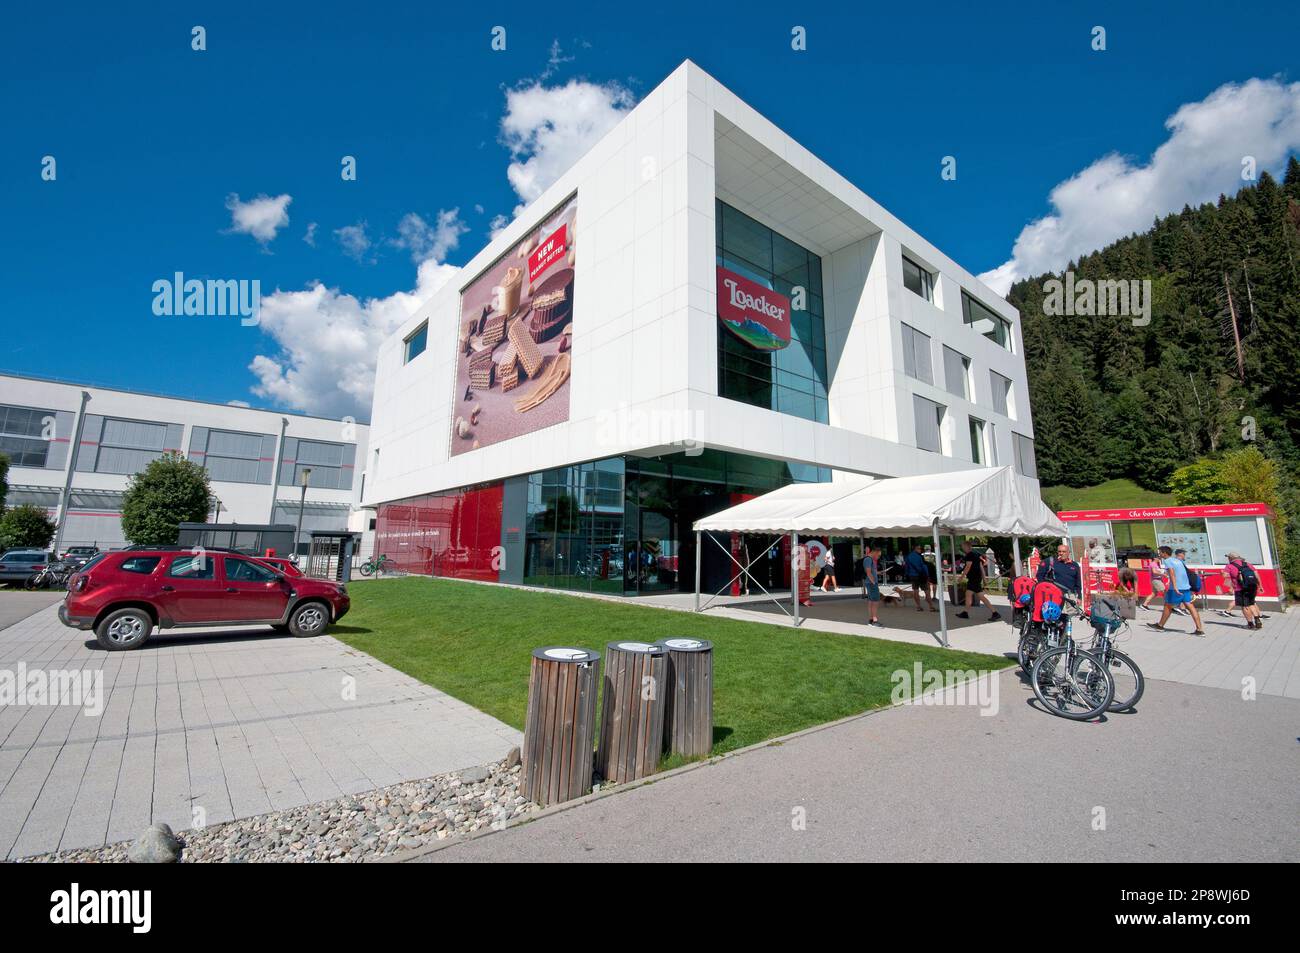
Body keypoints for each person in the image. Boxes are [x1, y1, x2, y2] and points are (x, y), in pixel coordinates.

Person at [1146, 545, 1206, 636]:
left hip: (1176, 588)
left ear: (1164, 553)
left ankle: (1160, 625)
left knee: (1167, 606)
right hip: (1186, 587)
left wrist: (1175, 587)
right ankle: (1199, 629)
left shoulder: (1167, 561)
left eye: (1160, 552)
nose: (1159, 554)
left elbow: (1172, 574)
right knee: (1190, 606)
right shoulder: (1177, 560)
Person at [955, 541, 1001, 621]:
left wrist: (961, 577)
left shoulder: (969, 555)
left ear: (967, 547)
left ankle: (994, 612)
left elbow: (968, 567)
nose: (962, 548)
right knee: (973, 595)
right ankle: (966, 612)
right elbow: (981, 568)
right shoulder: (976, 555)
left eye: (963, 546)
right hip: (977, 578)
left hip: (973, 578)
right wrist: (984, 579)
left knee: (974, 595)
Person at [1223, 551, 1262, 630]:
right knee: (1252, 603)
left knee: (1245, 606)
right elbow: (1256, 575)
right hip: (1252, 586)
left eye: (1228, 557)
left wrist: (1222, 574)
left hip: (1240, 588)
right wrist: (1260, 585)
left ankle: (1250, 624)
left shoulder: (1229, 566)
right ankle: (1257, 620)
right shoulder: (1248, 564)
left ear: (1230, 558)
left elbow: (1225, 576)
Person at [905, 543, 937, 612]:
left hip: (913, 576)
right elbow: (924, 566)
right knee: (927, 591)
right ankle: (931, 606)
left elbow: (906, 566)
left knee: (915, 591)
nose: (921, 550)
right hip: (921, 576)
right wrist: (927, 575)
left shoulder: (908, 556)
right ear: (916, 549)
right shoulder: (919, 557)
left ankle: (918, 606)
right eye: (919, 548)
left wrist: (907, 574)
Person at [862, 546, 883, 626]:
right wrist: (874, 582)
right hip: (871, 583)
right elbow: (868, 572)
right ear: (875, 552)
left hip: (870, 583)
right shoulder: (868, 559)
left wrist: (879, 572)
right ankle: (874, 620)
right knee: (875, 601)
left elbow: (871, 571)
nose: (878, 557)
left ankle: (871, 619)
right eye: (878, 555)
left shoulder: (869, 560)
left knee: (871, 601)